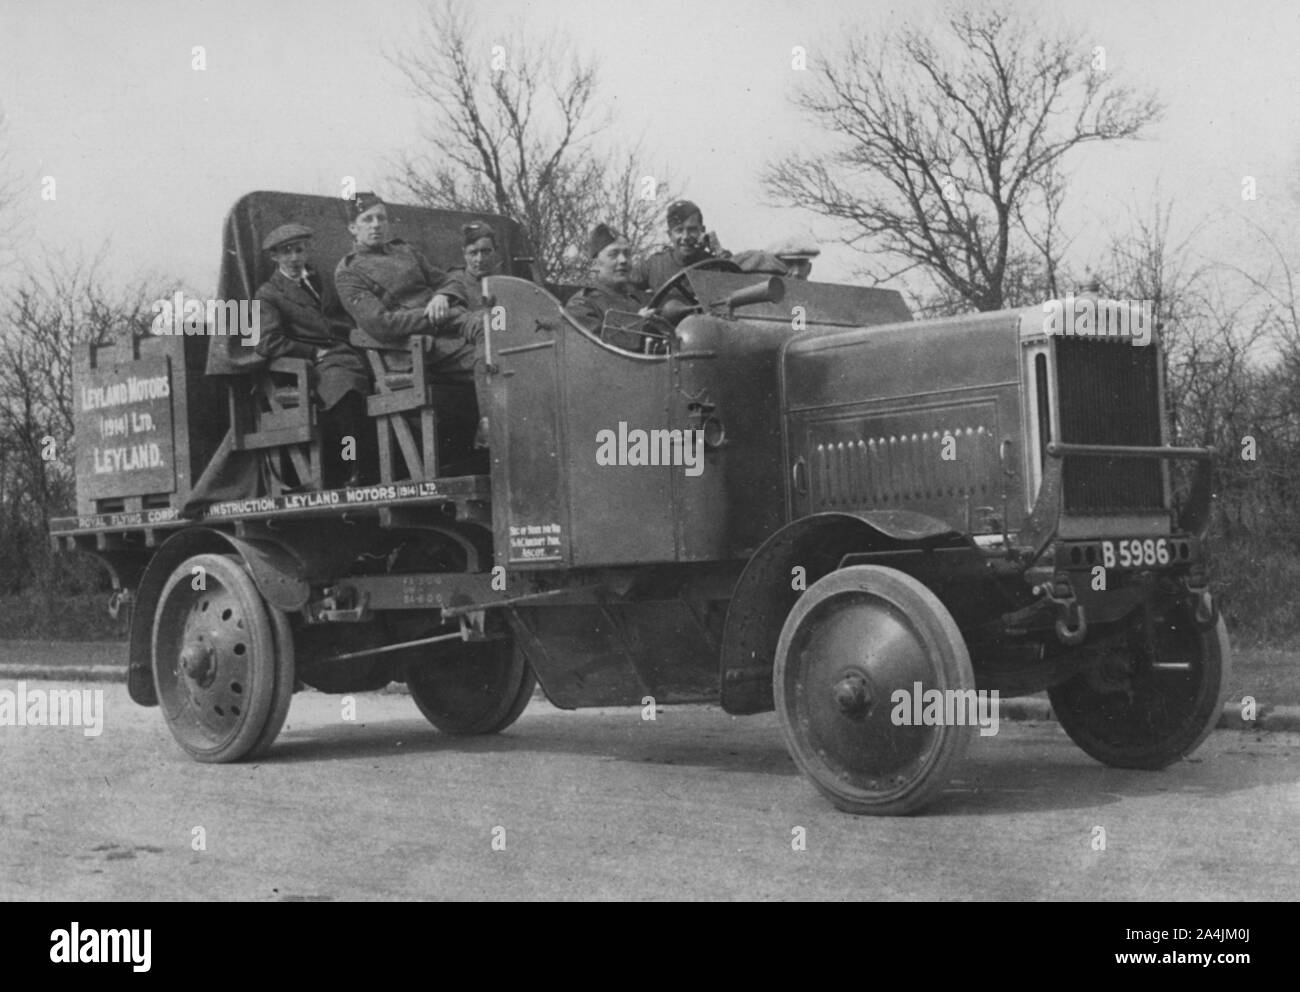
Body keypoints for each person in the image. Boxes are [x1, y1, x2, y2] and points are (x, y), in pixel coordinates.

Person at [333, 192, 488, 447]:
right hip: (412, 349)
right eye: (367, 220)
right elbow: (381, 324)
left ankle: (489, 426)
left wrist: (442, 297)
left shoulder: (405, 251)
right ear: (353, 228)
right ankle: (490, 428)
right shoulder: (349, 272)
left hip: (448, 327)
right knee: (499, 359)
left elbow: (450, 280)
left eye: (381, 218)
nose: (376, 225)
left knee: (498, 327)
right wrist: (434, 317)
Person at [253, 222, 373, 487]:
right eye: (286, 252)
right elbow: (267, 342)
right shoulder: (268, 294)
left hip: (346, 352)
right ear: (275, 257)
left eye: (299, 250)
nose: (294, 258)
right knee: (347, 393)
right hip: (312, 365)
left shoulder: (321, 282)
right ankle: (353, 467)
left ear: (307, 251)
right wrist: (312, 352)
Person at [566, 224, 662, 352]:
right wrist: (637, 323)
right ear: (595, 264)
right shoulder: (582, 305)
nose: (623, 260)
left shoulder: (644, 300)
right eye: (613, 254)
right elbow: (596, 352)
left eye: (627, 254)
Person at [632, 199, 731, 323]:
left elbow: (738, 288)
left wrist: (718, 251)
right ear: (670, 235)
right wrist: (638, 312)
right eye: (679, 230)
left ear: (702, 230)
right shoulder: (655, 264)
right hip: (664, 334)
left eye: (692, 230)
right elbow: (622, 286)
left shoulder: (715, 264)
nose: (685, 237)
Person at [437, 222, 499, 311]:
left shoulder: (505, 283)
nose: (480, 259)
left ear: (495, 251)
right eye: (473, 253)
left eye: (486, 252)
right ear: (464, 253)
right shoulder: (452, 285)